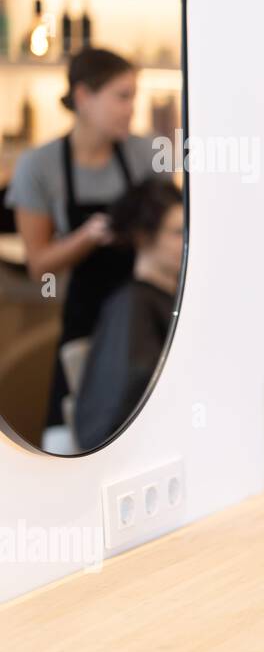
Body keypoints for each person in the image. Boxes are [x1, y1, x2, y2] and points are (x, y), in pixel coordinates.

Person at [5, 48, 158, 440]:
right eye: (122, 97)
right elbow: (41, 266)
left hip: (142, 322)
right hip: (83, 323)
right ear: (84, 97)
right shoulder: (40, 166)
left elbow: (170, 233)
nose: (131, 110)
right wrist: (87, 236)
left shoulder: (144, 155)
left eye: (134, 98)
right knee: (69, 439)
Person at [73, 179, 183, 450]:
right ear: (144, 236)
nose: (187, 241)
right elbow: (120, 403)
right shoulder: (132, 305)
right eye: (178, 232)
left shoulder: (166, 300)